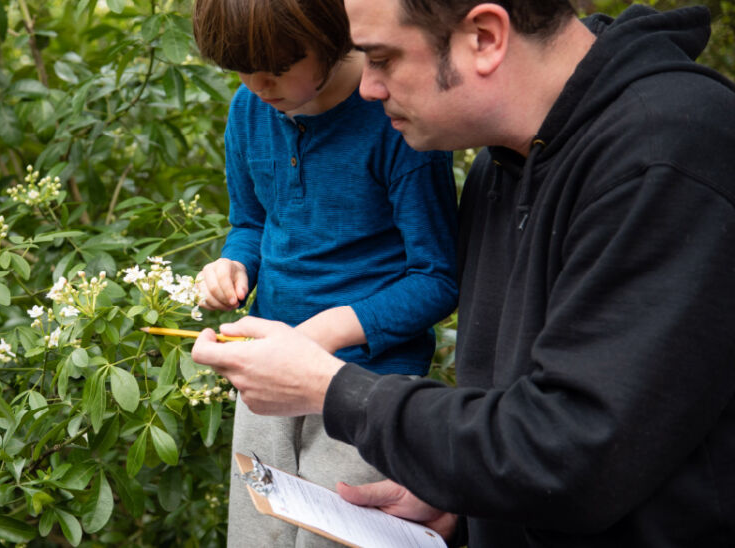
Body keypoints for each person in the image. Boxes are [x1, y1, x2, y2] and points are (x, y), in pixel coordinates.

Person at [192, 0, 735, 546]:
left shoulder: (665, 157)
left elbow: (579, 453)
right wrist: (457, 494)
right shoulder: (502, 164)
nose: (367, 89)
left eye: (379, 58)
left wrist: (330, 387)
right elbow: (520, 422)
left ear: (484, 36)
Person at [190, 0, 459, 546]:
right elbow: (251, 221)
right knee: (256, 533)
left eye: (278, 67)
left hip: (368, 385)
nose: (259, 83)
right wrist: (233, 262)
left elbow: (438, 278)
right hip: (264, 377)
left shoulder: (394, 123)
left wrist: (323, 335)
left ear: (333, 37)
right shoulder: (248, 111)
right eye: (242, 68)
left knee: (338, 534)